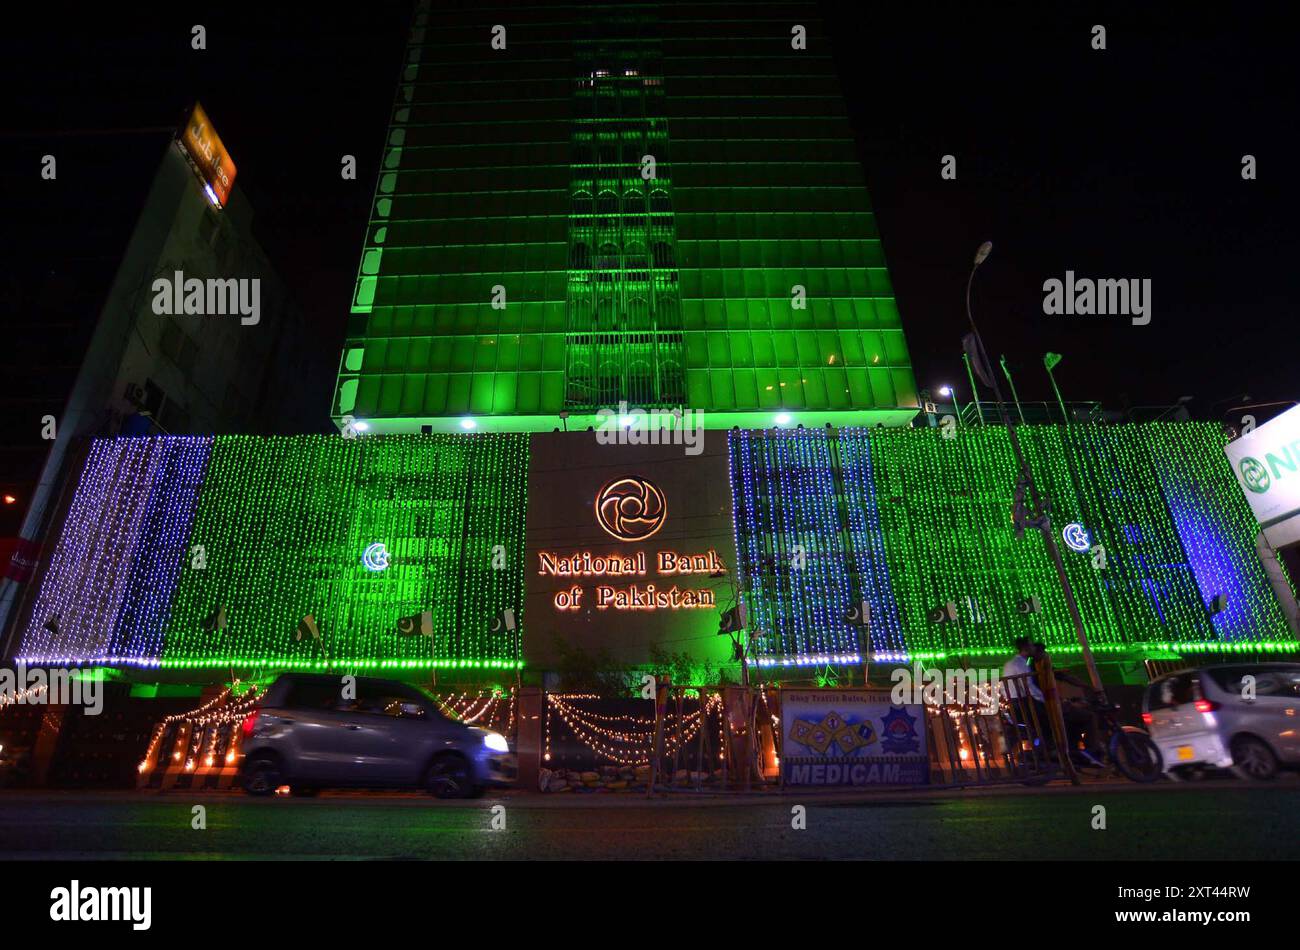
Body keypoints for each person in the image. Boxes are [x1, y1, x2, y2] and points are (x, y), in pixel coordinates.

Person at [1030, 642, 1103, 767]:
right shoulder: (1041, 666)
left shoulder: (1032, 667)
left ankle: (1075, 751)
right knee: (1089, 716)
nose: (1045, 654)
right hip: (1050, 706)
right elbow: (1065, 677)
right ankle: (1091, 751)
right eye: (1043, 651)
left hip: (1047, 706)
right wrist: (1088, 687)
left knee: (1073, 718)